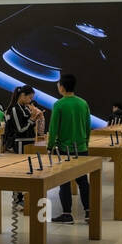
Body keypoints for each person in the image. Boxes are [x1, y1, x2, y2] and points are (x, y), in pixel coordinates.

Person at [48, 73, 92, 223]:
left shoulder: (59, 104)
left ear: (62, 87)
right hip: (82, 147)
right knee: (83, 181)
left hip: (64, 149)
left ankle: (67, 214)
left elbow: (53, 129)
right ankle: (88, 212)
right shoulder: (83, 103)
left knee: (64, 182)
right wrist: (86, 142)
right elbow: (87, 126)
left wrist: (50, 146)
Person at [4, 85, 45, 205]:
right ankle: (18, 198)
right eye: (29, 98)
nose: (30, 101)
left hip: (29, 142)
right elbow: (20, 129)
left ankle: (25, 195)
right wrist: (32, 119)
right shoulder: (14, 109)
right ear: (22, 96)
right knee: (21, 171)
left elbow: (29, 124)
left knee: (29, 170)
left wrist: (35, 118)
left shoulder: (25, 108)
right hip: (20, 143)